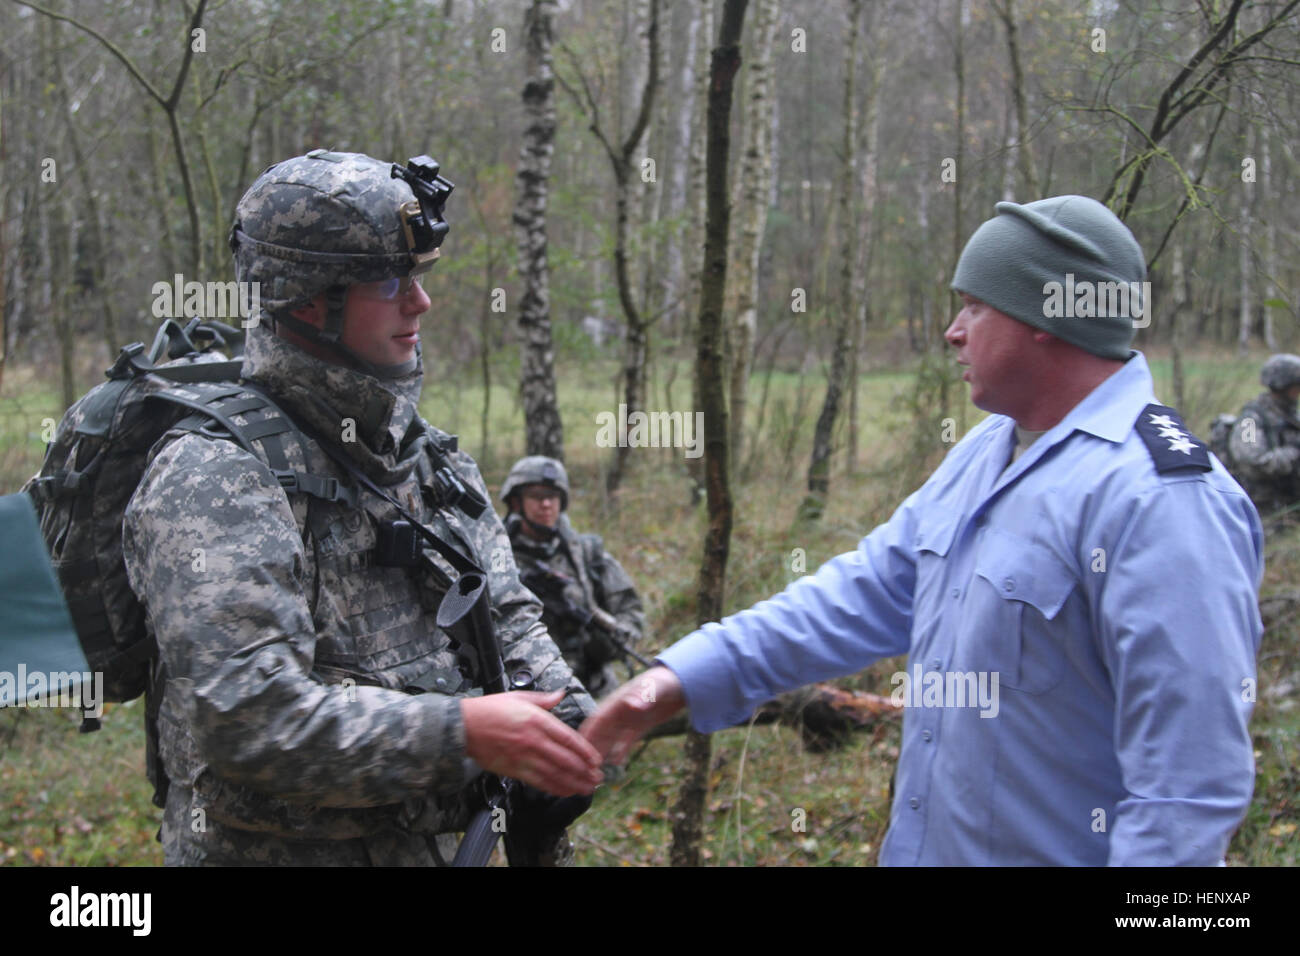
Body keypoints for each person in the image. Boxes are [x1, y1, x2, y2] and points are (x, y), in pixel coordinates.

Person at [583, 196, 1264, 866]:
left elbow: (1187, 791)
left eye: (974, 305)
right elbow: (863, 593)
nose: (952, 331)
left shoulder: (1164, 500)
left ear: (1046, 319)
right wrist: (680, 679)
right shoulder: (989, 450)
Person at [122, 150, 601, 866]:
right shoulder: (215, 477)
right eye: (390, 280)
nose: (420, 302)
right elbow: (252, 717)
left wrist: (565, 715)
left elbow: (507, 619)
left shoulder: (427, 457)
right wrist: (463, 733)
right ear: (308, 299)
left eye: (418, 276)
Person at [501, 456, 646, 698]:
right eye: (536, 496)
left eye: (553, 496)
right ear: (516, 502)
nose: (546, 504)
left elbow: (630, 614)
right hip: (526, 693)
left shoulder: (588, 553)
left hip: (595, 690)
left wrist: (604, 642)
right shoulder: (499, 558)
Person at [1226, 354, 1300, 519]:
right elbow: (1251, 462)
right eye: (1296, 386)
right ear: (1284, 386)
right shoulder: (1251, 420)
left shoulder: (1291, 417)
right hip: (1261, 508)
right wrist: (1292, 454)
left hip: (1289, 503)